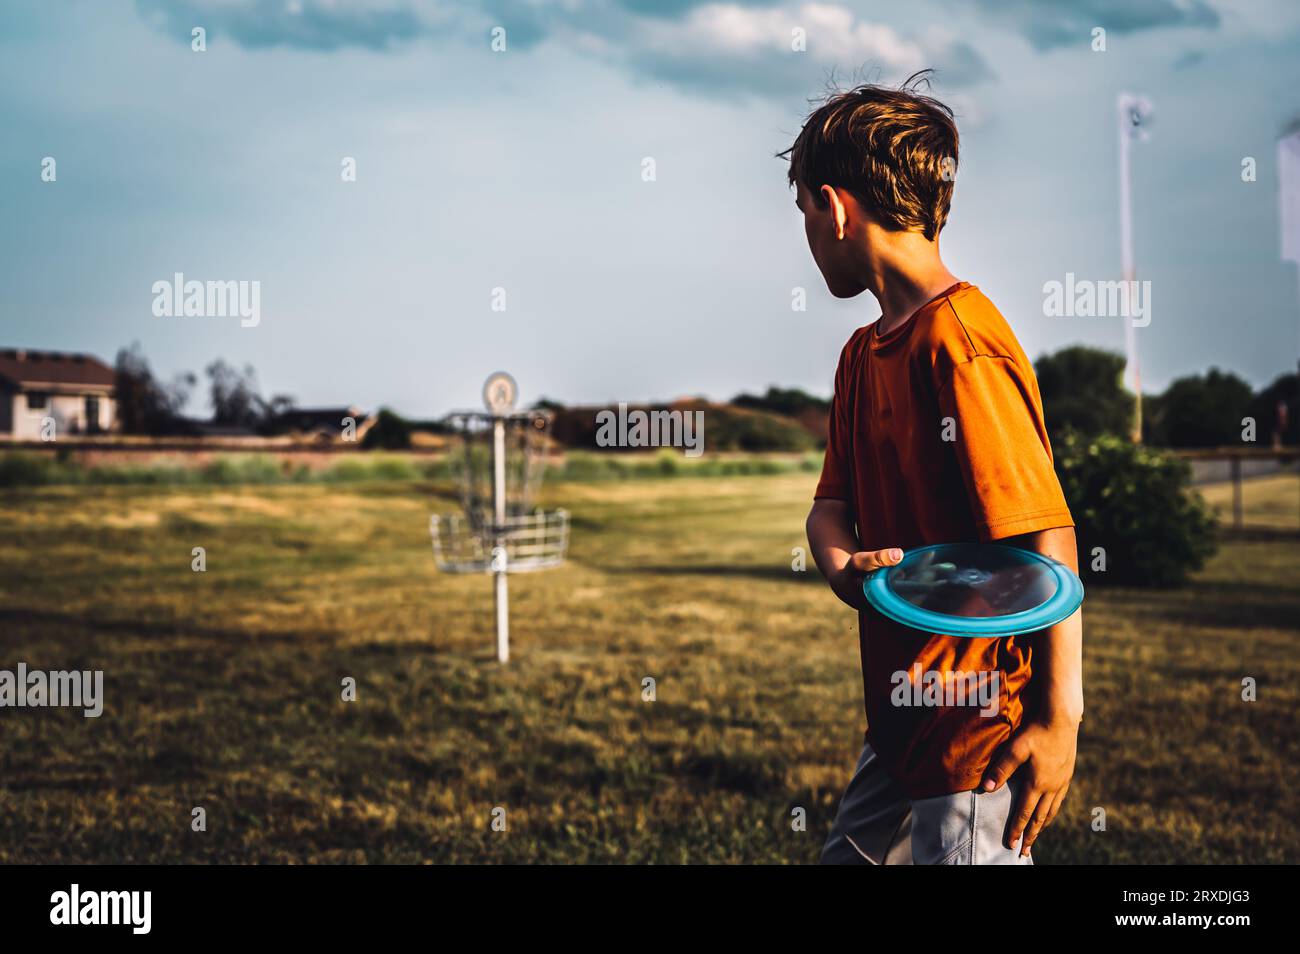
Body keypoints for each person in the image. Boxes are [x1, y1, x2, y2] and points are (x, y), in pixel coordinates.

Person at [786, 72, 1084, 864]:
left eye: (803, 215)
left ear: (836, 206)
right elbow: (830, 508)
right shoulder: (860, 355)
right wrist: (844, 567)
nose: (806, 236)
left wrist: (1059, 720)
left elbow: (1047, 540)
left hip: (977, 731)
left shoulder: (962, 344)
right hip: (901, 719)